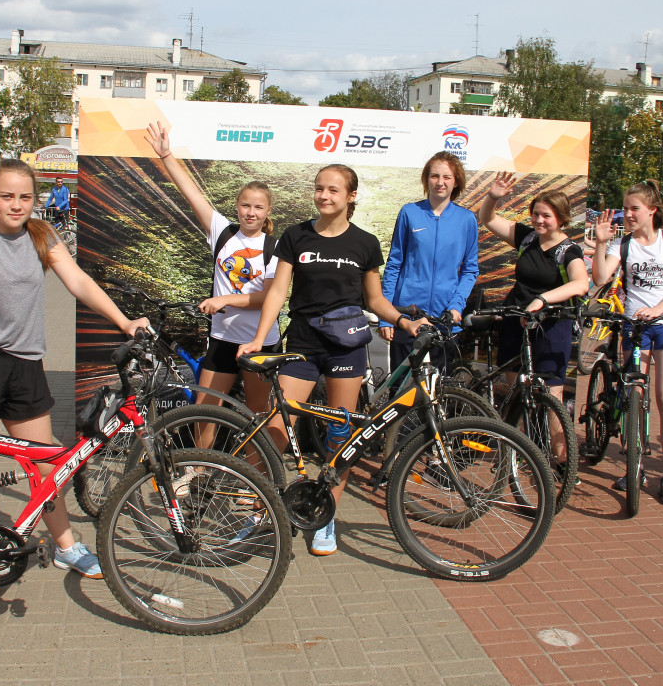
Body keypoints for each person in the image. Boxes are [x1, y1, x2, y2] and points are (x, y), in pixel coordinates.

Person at [0, 158, 150, 596]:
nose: (17, 205)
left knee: (47, 462)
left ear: (36, 200)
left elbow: (79, 281)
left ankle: (65, 544)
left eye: (25, 197)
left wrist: (124, 322)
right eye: (8, 196)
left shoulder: (42, 234)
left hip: (26, 364)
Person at [237, 164, 424, 557]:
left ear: (350, 196)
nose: (324, 196)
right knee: (275, 426)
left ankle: (326, 515)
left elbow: (374, 301)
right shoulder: (295, 235)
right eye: (319, 189)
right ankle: (259, 512)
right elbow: (277, 294)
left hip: (346, 348)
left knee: (340, 437)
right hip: (302, 344)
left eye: (333, 190)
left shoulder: (365, 243)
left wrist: (403, 321)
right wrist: (258, 339)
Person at [144, 122, 277, 428]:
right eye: (245, 205)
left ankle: (256, 472)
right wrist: (166, 156)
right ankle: (200, 472)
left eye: (258, 207)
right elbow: (191, 193)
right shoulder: (222, 232)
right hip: (222, 339)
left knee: (257, 410)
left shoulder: (275, 247)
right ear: (237, 206)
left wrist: (223, 300)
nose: (251, 212)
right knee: (206, 411)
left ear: (268, 210)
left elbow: (268, 298)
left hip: (261, 343)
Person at [478, 175, 589, 468]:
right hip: (517, 322)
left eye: (546, 216)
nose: (539, 220)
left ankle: (562, 461)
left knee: (552, 395)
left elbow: (581, 284)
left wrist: (544, 299)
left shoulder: (569, 251)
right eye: (536, 214)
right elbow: (487, 218)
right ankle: (527, 451)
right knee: (516, 388)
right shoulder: (527, 238)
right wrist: (494, 196)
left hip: (552, 326)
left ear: (561, 219)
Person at [592, 180, 663, 506]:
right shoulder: (624, 245)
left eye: (635, 209)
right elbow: (601, 279)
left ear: (652, 211)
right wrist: (602, 245)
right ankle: (636, 465)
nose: (629, 214)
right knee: (634, 392)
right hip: (634, 328)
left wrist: (657, 311)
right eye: (626, 208)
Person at [379, 152, 478, 372]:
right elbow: (394, 265)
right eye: (434, 176)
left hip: (445, 318)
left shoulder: (466, 219)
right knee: (403, 392)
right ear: (426, 179)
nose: (440, 182)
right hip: (408, 315)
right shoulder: (409, 212)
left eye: (447, 177)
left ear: (456, 181)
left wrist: (456, 306)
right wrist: (387, 317)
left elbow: (470, 270)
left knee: (439, 392)